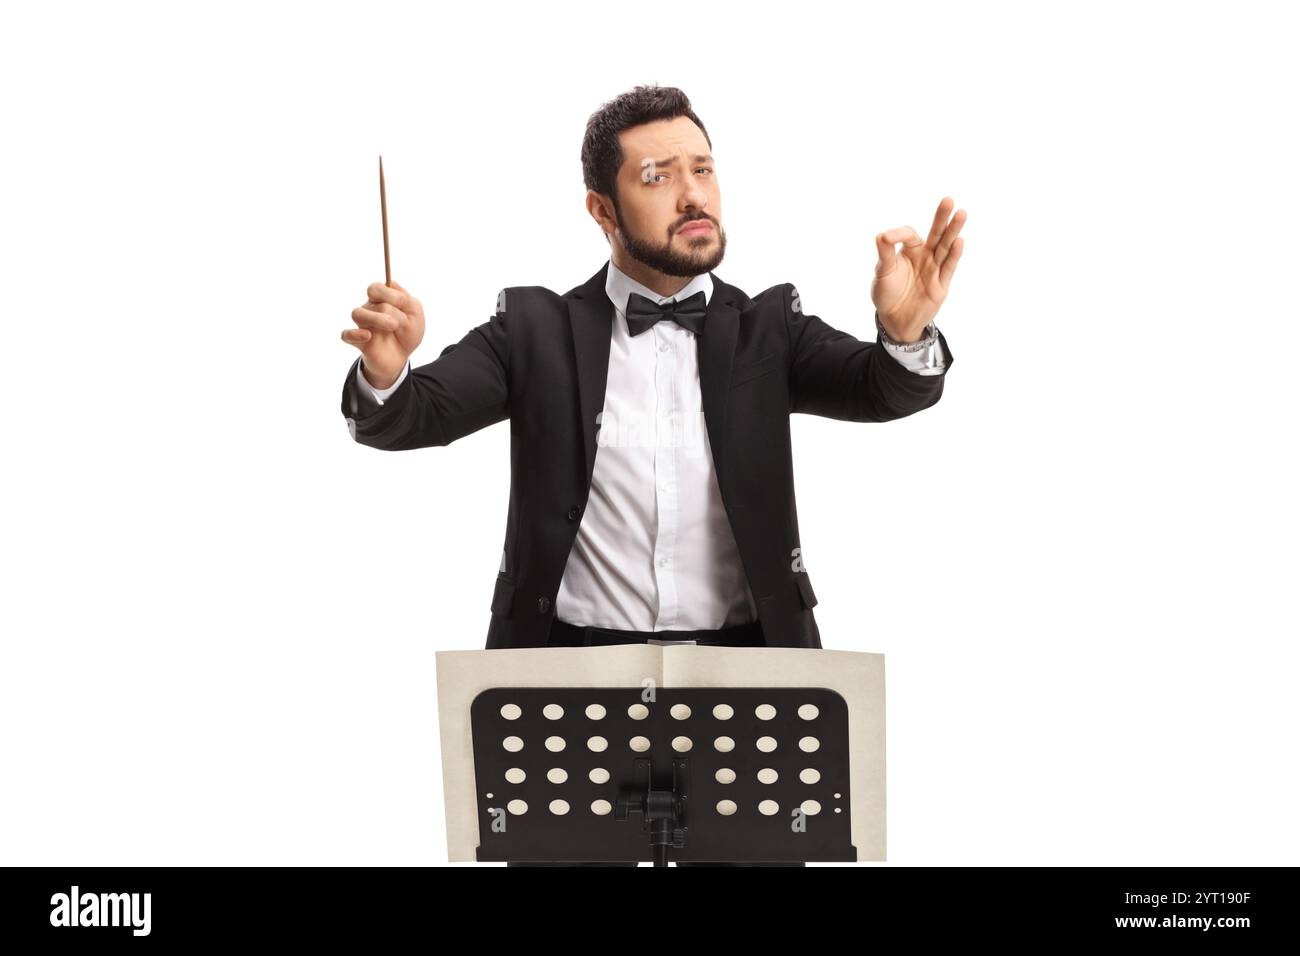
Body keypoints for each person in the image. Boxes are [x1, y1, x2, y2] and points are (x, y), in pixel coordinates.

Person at [339, 85, 964, 866]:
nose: (693, 193)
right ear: (602, 211)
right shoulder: (534, 328)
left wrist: (905, 335)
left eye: (702, 169)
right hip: (567, 673)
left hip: (746, 674)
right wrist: (388, 373)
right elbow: (408, 417)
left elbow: (885, 389)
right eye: (658, 176)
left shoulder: (770, 326)